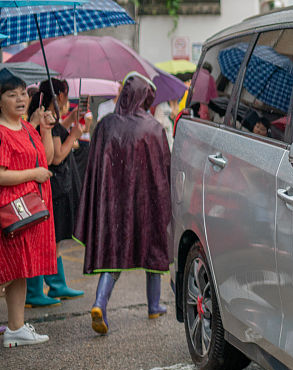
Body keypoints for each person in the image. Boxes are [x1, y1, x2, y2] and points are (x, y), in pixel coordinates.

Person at [75, 73, 173, 334]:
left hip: (113, 203)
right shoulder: (153, 127)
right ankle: (154, 306)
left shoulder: (106, 125)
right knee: (153, 249)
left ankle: (99, 303)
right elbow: (164, 169)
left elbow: (95, 166)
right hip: (146, 202)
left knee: (113, 253)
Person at [0, 68, 56, 347]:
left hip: (29, 210)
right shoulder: (1, 132)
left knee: (18, 269)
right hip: (10, 210)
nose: (21, 99)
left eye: (23, 93)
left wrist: (45, 129)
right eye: (12, 94)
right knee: (8, 269)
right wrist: (32, 175)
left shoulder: (26, 127)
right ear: (0, 100)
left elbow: (47, 158)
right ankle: (14, 326)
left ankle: (15, 327)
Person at [24, 79, 87, 307]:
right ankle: (37, 289)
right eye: (66, 95)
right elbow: (55, 156)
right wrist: (74, 135)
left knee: (53, 240)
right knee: (47, 240)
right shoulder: (45, 120)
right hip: (53, 187)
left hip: (55, 187)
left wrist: (72, 121)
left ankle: (56, 284)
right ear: (60, 95)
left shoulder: (49, 117)